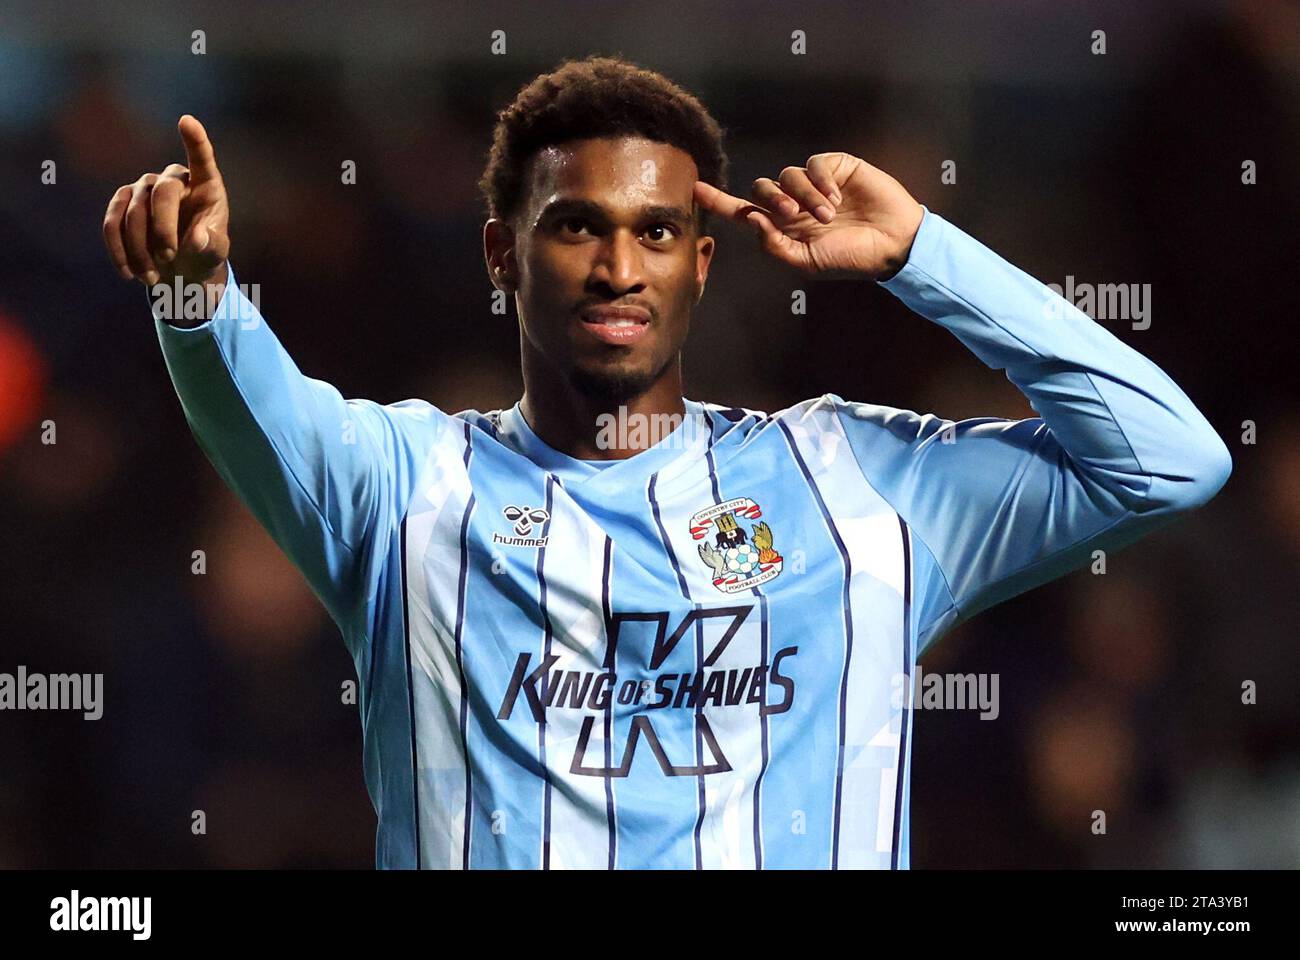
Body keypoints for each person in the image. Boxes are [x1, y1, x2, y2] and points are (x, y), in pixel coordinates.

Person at [101, 56, 1231, 869]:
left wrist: (922, 254)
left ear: (702, 261)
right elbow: (254, 409)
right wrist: (195, 292)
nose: (615, 267)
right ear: (503, 251)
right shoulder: (407, 489)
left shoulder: (857, 484)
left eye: (651, 233)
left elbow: (1168, 461)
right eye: (574, 225)